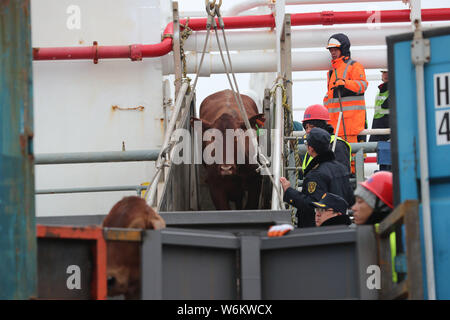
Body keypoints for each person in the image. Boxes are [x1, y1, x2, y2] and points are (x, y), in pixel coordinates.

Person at [280, 127, 354, 228]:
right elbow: (350, 198)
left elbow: (311, 205)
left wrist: (289, 191)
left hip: (319, 231)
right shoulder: (341, 168)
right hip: (340, 226)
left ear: (311, 148)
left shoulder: (316, 174)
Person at [352, 171, 399, 282]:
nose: (353, 208)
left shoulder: (376, 238)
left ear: (380, 205)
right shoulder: (393, 233)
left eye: (360, 202)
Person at [323, 33, 368, 144]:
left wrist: (345, 83)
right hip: (335, 129)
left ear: (343, 49)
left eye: (335, 50)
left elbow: (363, 86)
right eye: (331, 50)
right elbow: (329, 101)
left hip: (352, 129)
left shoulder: (354, 66)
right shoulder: (331, 73)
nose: (332, 53)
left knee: (353, 160)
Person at [301, 104, 351, 173]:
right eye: (306, 127)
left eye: (312, 126)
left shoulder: (337, 145)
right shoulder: (312, 147)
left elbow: (342, 175)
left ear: (321, 126)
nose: (308, 131)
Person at [369, 70, 390, 142]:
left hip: (387, 125)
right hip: (378, 123)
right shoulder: (381, 90)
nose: (385, 75)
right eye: (384, 73)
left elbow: (385, 106)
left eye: (387, 72)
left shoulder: (394, 89)